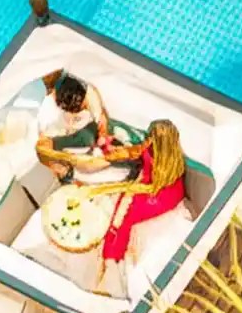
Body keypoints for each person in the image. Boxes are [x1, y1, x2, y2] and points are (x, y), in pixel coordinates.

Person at [79, 120, 186, 292]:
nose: (146, 139)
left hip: (161, 194)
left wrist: (131, 191)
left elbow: (155, 184)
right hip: (159, 187)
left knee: (125, 217)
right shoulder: (166, 153)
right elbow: (133, 153)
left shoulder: (161, 162)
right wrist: (109, 147)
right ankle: (109, 256)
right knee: (121, 206)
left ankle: (111, 262)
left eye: (149, 137)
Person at [35, 70, 115, 182]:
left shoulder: (89, 94)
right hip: (64, 143)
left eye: (83, 106)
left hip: (87, 131)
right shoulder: (48, 117)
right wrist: (60, 166)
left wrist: (103, 134)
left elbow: (102, 117)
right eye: (75, 111)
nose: (85, 108)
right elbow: (42, 149)